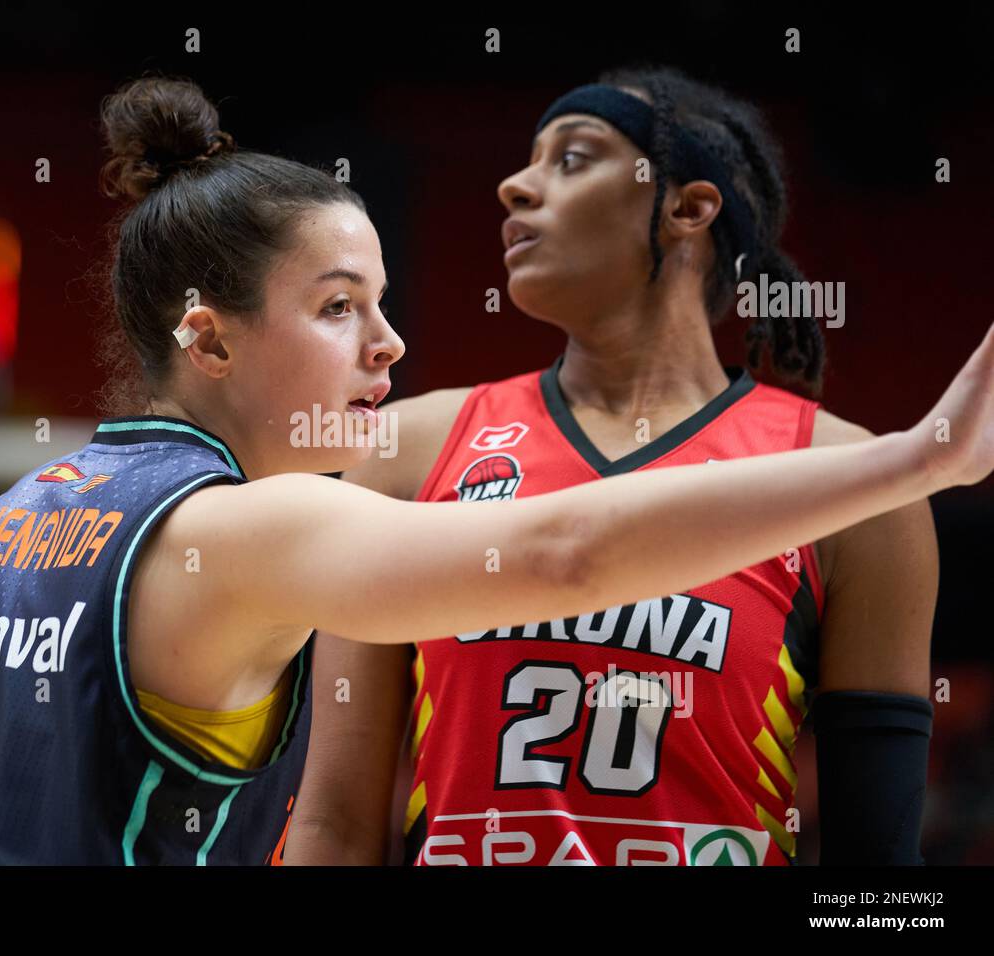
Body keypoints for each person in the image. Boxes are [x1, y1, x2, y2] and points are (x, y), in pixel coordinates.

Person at [0, 75, 994, 866]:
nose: (389, 345)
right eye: (340, 306)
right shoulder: (265, 521)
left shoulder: (4, 520)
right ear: (209, 334)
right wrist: (926, 454)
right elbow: (566, 550)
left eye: (383, 302)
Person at [286, 66, 956, 866]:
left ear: (686, 207)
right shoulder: (404, 454)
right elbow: (333, 825)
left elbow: (878, 875)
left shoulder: (852, 484)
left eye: (571, 158)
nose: (513, 187)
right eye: (527, 160)